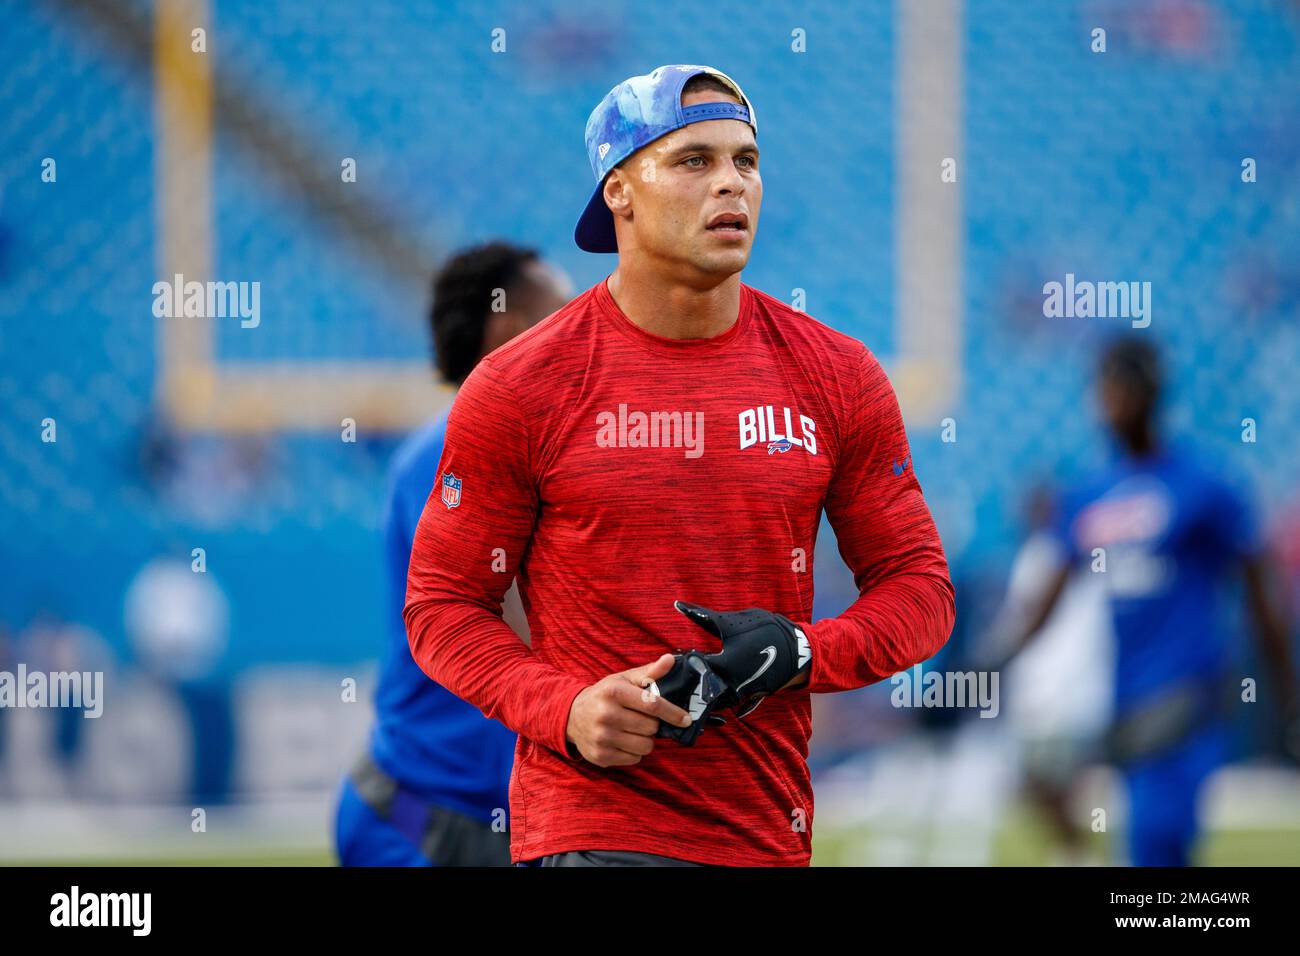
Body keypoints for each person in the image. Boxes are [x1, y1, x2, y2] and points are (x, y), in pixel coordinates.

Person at [403, 65, 955, 867]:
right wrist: (565, 707)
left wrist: (805, 653)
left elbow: (920, 591)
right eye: (694, 160)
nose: (731, 183)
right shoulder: (521, 385)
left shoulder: (837, 373)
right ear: (619, 192)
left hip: (770, 834)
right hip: (594, 831)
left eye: (746, 161)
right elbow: (442, 606)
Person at [999, 336, 1298, 866]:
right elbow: (1050, 595)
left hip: (1188, 694)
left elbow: (1258, 591)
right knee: (1140, 843)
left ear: (1147, 391)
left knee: (1155, 842)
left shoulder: (1206, 485)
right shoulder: (1088, 492)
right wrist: (992, 661)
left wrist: (1286, 688)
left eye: (1116, 388)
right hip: (1123, 699)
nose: (1106, 403)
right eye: (1102, 389)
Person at [334, 241, 572, 866]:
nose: (586, 336)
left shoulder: (521, 447)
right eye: (566, 315)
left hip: (481, 818)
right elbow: (528, 623)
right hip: (426, 823)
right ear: (509, 329)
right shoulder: (452, 449)